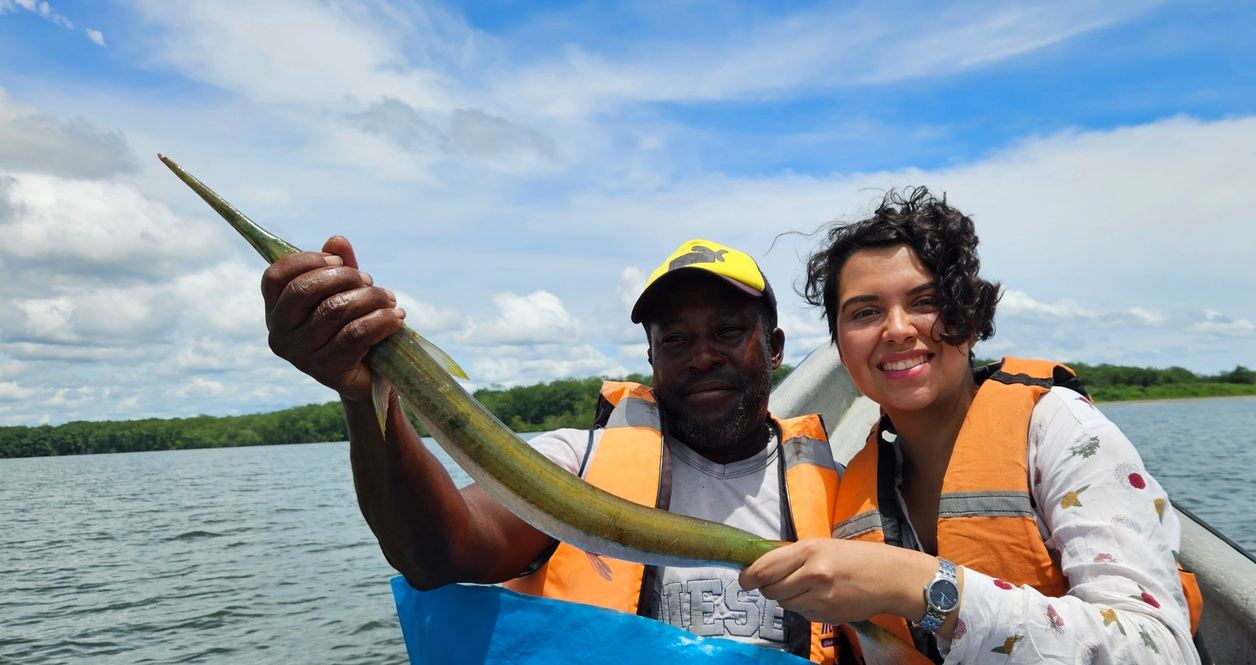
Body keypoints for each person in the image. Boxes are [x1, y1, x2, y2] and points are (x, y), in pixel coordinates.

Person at [260, 236, 848, 662]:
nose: (701, 356)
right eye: (675, 339)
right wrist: (365, 399)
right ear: (651, 360)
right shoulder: (574, 461)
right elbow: (438, 552)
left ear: (772, 348)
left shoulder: (846, 488)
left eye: (726, 331)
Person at [738, 188, 1203, 664]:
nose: (896, 329)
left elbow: (1160, 649)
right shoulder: (854, 485)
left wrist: (920, 586)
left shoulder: (1060, 432)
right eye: (865, 312)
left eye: (925, 302)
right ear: (840, 343)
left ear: (972, 318)